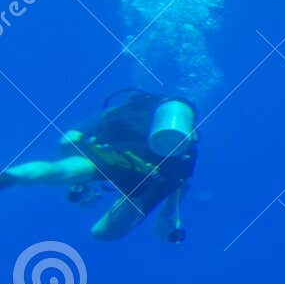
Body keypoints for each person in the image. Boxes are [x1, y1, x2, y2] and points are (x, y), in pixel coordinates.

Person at [0, 89, 197, 242]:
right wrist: (167, 214)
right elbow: (180, 183)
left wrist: (80, 174)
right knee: (102, 234)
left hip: (112, 157)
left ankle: (11, 176)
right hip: (146, 180)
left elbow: (67, 141)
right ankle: (126, 199)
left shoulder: (128, 111)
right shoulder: (187, 145)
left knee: (59, 170)